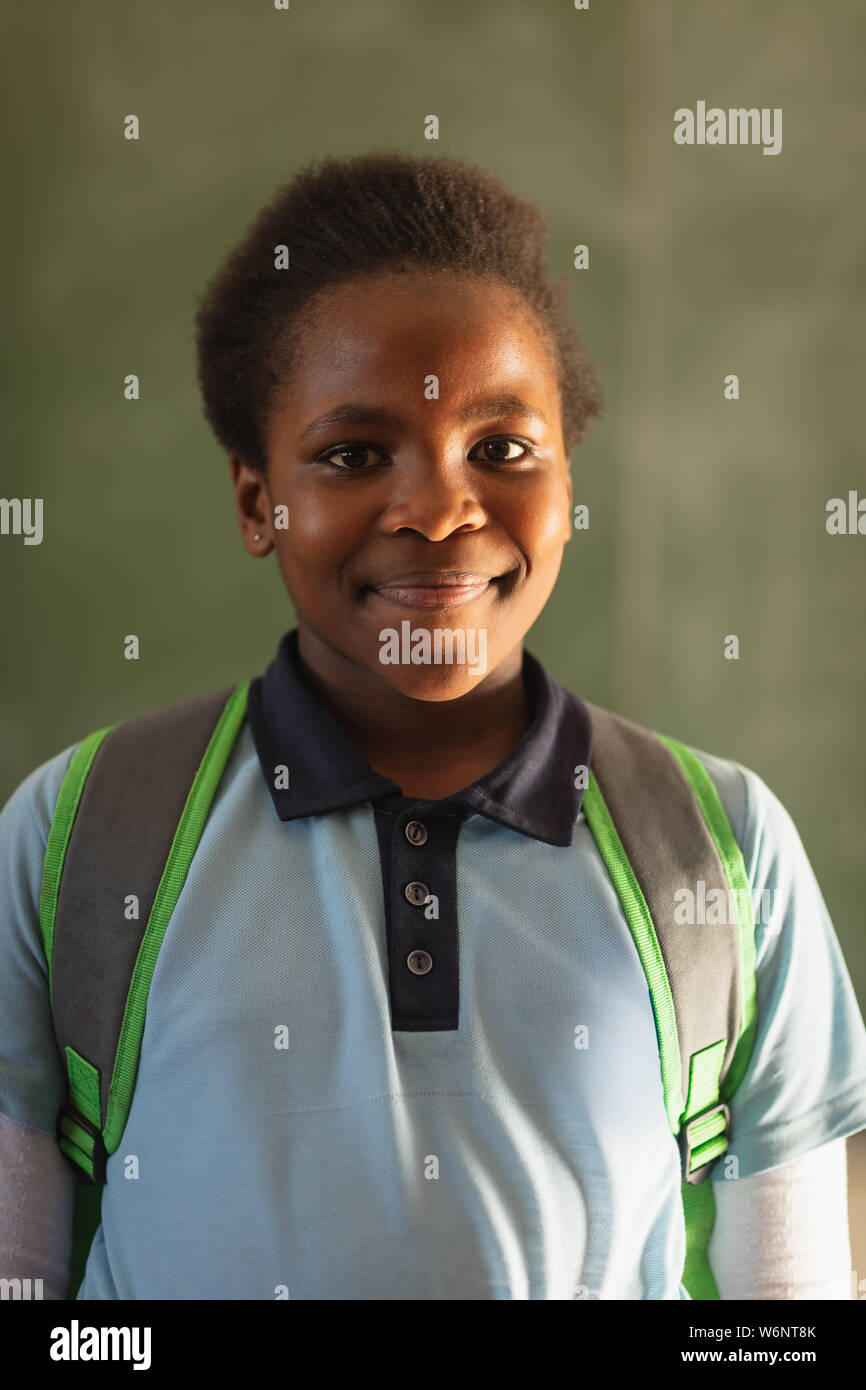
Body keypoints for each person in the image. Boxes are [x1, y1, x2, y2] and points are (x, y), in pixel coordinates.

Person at [2, 152, 865, 1300]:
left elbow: (788, 1308)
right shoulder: (83, 831)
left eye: (500, 449)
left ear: (566, 485)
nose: (439, 508)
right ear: (260, 500)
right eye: (355, 456)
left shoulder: (719, 847)